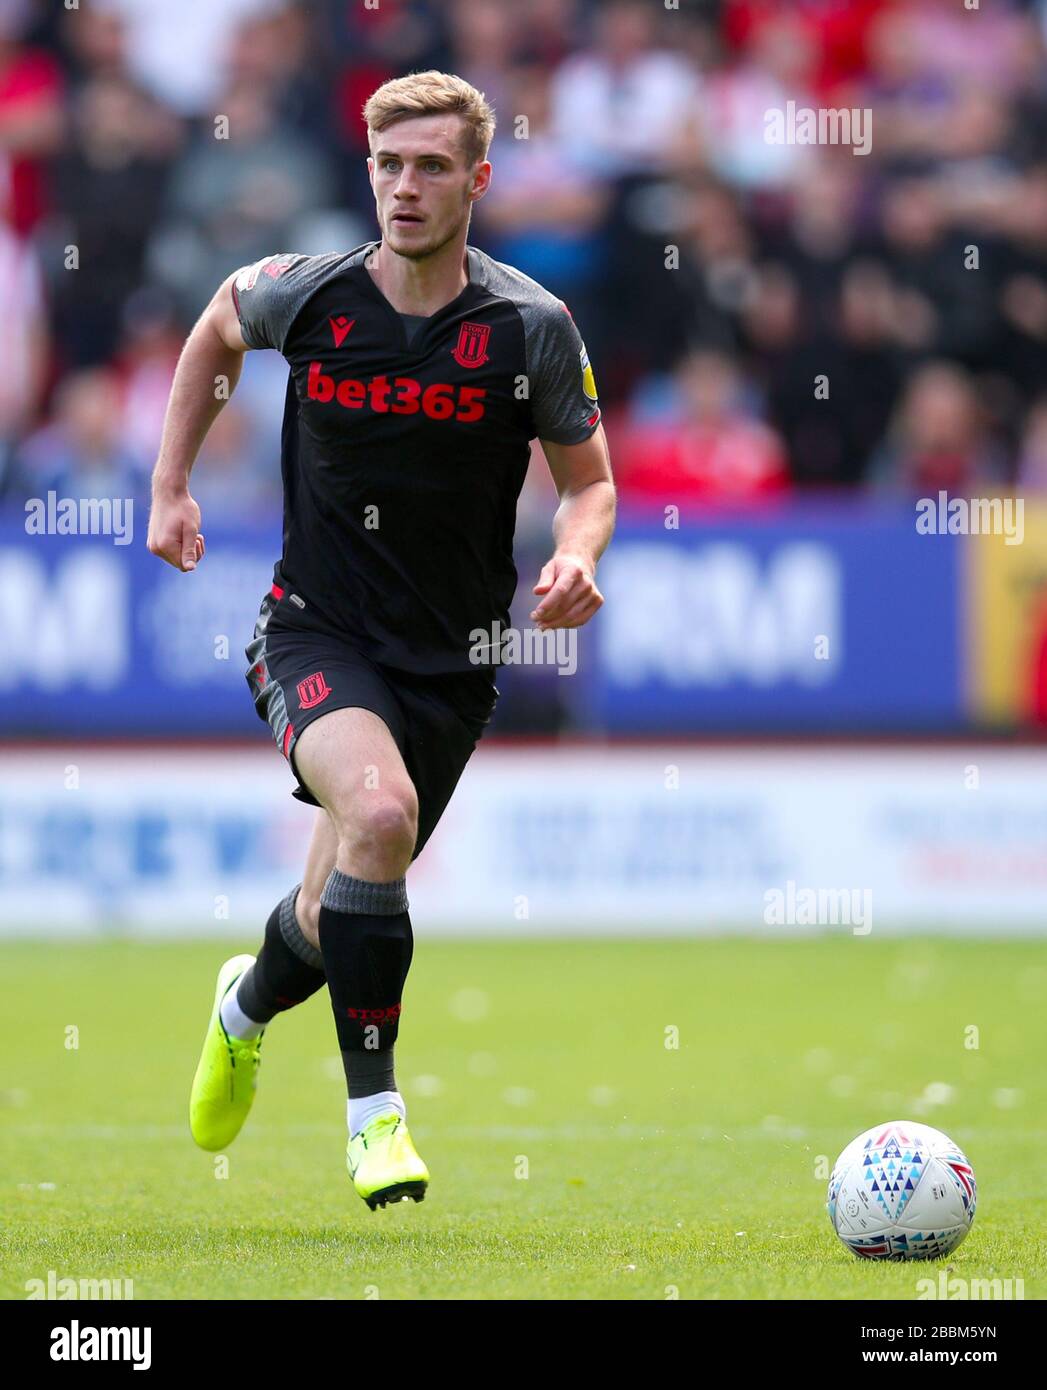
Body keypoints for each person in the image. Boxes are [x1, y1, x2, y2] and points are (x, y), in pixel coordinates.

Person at [146, 70, 616, 1211]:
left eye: (432, 167)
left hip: (453, 658)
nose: (406, 188)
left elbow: (591, 484)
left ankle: (242, 1006)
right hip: (315, 628)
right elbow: (215, 327)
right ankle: (375, 1118)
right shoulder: (305, 295)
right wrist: (170, 488)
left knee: (332, 906)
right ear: (367, 171)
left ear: (478, 181)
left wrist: (580, 551)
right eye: (388, 165)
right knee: (382, 814)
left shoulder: (530, 328)